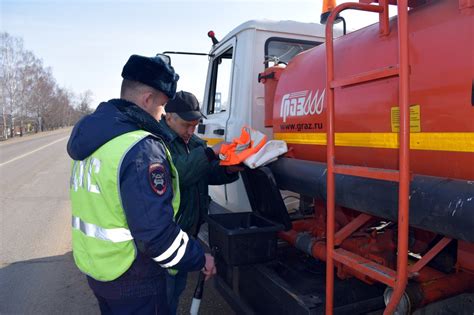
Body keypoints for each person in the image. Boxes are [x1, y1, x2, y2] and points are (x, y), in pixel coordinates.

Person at [67, 54, 216, 315]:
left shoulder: (94, 141)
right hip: (133, 278)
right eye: (162, 107)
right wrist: (198, 257)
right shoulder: (140, 148)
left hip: (99, 269)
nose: (161, 115)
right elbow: (157, 237)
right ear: (148, 99)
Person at [159, 91, 240, 314]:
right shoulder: (158, 141)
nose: (191, 131)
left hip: (187, 235)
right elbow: (178, 174)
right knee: (162, 297)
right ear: (169, 117)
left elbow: (207, 174)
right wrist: (209, 153)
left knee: (175, 292)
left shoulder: (194, 142)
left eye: (195, 125)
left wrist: (230, 169)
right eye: (187, 125)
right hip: (166, 237)